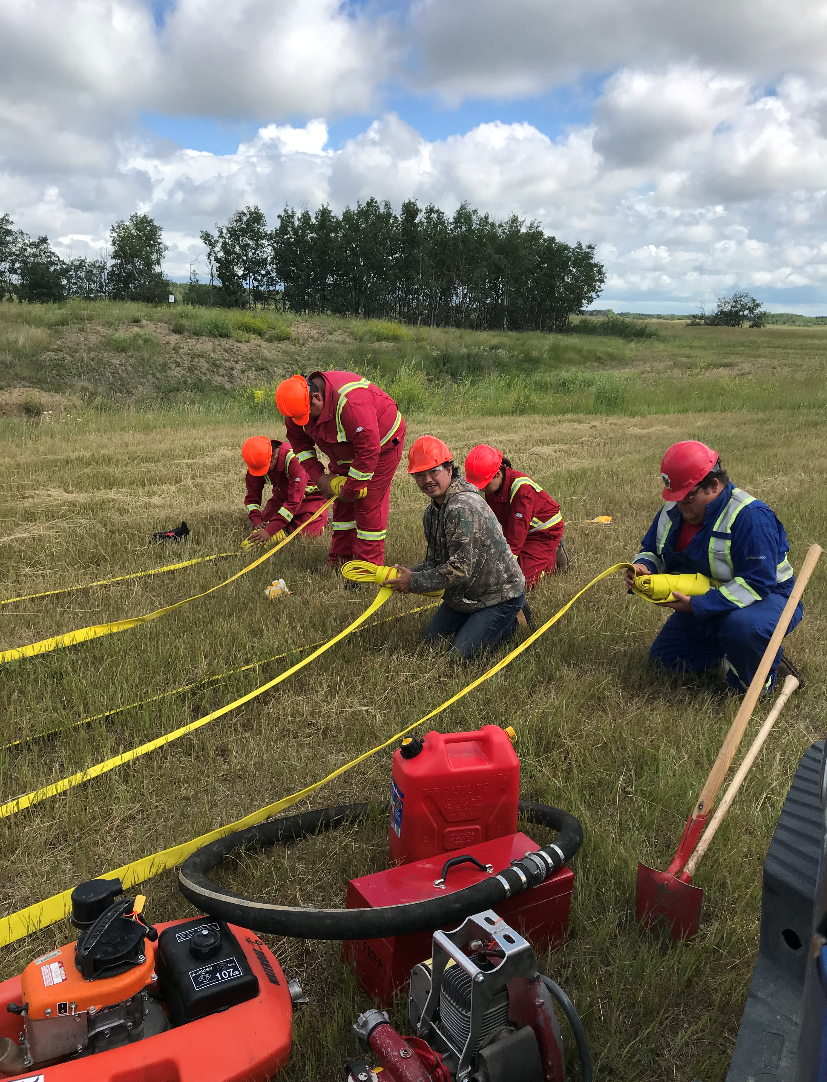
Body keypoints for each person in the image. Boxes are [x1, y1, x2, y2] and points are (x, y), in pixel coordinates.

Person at [628, 440, 803, 693]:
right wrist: (643, 567)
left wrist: (699, 606)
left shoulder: (751, 517)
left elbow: (756, 583)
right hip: (711, 596)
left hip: (769, 599)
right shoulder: (673, 510)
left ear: (713, 484)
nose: (680, 506)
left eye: (687, 497)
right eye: (676, 497)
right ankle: (737, 654)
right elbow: (652, 550)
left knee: (742, 628)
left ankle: (758, 683)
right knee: (666, 661)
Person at [388, 435, 526, 660]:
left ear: (449, 470)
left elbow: (460, 569)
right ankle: (477, 622)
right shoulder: (432, 513)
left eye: (434, 471)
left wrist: (412, 582)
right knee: (431, 643)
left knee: (459, 658)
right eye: (420, 475)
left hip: (499, 596)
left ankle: (515, 619)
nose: (427, 480)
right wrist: (403, 575)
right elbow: (436, 561)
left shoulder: (463, 507)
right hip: (465, 595)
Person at [275, 371, 405, 566]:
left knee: (367, 503)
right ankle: (339, 559)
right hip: (344, 447)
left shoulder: (351, 404)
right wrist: (319, 478)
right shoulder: (297, 408)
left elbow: (368, 451)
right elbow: (300, 445)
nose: (307, 421)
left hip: (382, 445)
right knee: (341, 506)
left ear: (317, 397)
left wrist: (351, 490)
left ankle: (366, 568)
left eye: (308, 415)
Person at [464, 444, 567, 587]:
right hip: (511, 529)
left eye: (484, 484)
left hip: (542, 533)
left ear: (498, 474)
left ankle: (553, 557)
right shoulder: (486, 487)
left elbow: (517, 534)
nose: (481, 488)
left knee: (518, 583)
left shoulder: (521, 489)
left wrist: (504, 564)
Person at [241, 435, 329, 545]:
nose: (261, 473)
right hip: (282, 497)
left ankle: (322, 517)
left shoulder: (294, 460)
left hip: (310, 499)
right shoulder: (257, 462)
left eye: (264, 469)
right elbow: (252, 499)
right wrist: (257, 521)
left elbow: (294, 501)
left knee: (307, 534)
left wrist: (269, 532)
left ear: (273, 457)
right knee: (266, 521)